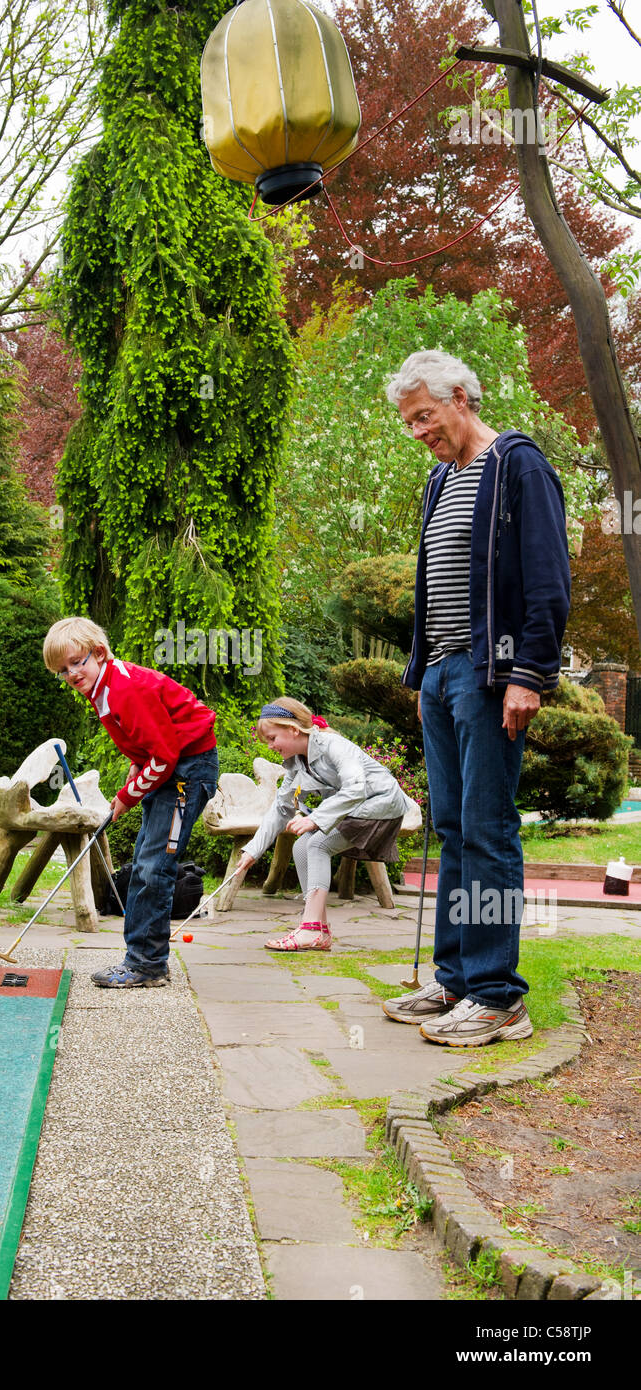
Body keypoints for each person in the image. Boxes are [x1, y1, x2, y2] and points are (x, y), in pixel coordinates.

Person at [382, 350, 570, 1045]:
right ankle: (458, 977)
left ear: (461, 397)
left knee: (489, 828)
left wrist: (529, 675)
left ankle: (498, 996)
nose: (419, 433)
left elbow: (548, 579)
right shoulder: (440, 480)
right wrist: (424, 672)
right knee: (454, 828)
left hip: (492, 674)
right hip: (441, 673)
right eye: (409, 423)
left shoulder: (518, 464)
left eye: (425, 417)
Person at [43, 617, 218, 987]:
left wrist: (126, 797)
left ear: (99, 653)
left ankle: (147, 965)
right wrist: (135, 770)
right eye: (62, 670)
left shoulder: (123, 688)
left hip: (187, 772)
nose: (72, 674)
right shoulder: (102, 688)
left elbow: (166, 755)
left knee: (155, 867)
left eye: (77, 662)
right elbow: (147, 744)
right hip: (173, 768)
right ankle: (141, 959)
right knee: (144, 865)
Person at [234, 698, 411, 951]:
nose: (270, 746)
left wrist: (315, 818)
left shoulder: (334, 746)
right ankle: (320, 930)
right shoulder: (298, 762)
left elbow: (355, 788)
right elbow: (281, 807)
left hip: (380, 805)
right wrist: (253, 850)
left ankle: (310, 929)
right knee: (301, 847)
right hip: (353, 808)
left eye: (273, 738)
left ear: (293, 729)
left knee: (317, 844)